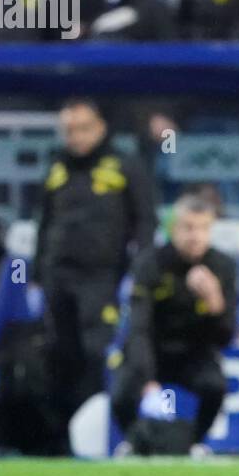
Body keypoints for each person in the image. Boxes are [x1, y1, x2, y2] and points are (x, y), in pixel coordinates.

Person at [35, 98, 156, 449]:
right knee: (60, 354)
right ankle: (62, 438)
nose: (76, 137)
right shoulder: (57, 165)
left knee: (97, 351)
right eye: (69, 130)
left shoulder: (125, 165)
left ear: (101, 127)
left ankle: (105, 435)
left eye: (83, 128)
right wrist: (36, 272)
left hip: (103, 277)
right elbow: (44, 222)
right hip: (59, 276)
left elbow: (145, 220)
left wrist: (140, 271)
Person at [110, 194, 237, 459]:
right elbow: (138, 327)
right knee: (122, 393)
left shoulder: (222, 267)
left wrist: (215, 302)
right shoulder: (150, 264)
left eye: (203, 228)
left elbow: (225, 338)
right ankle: (134, 442)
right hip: (151, 348)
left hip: (193, 353)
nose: (195, 236)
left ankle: (194, 443)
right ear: (173, 229)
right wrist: (147, 380)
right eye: (188, 227)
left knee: (215, 387)